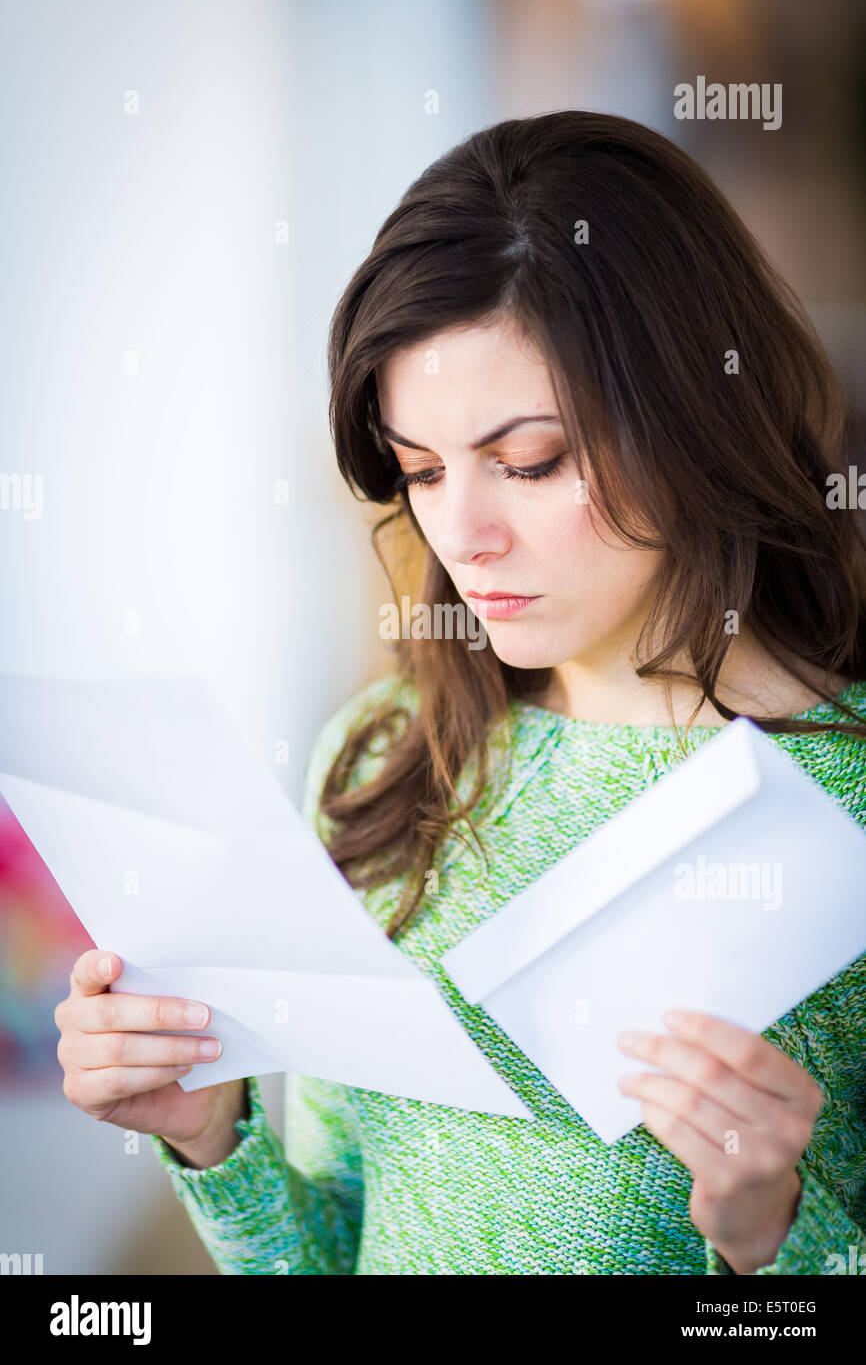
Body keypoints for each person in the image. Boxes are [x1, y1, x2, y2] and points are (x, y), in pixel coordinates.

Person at [56, 110, 866, 1275]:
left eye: (529, 462)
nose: (464, 536)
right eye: (421, 471)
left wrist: (776, 1239)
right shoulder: (385, 756)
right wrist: (212, 1140)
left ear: (695, 407)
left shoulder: (839, 803)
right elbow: (332, 1254)